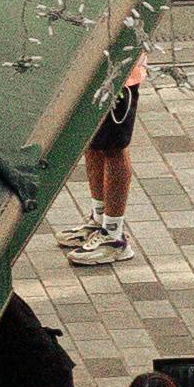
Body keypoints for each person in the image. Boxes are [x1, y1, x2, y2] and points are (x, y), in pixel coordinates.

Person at [75, 43, 143, 270]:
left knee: (113, 148)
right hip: (93, 70)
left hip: (118, 75)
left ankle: (114, 236)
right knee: (92, 144)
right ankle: (99, 220)